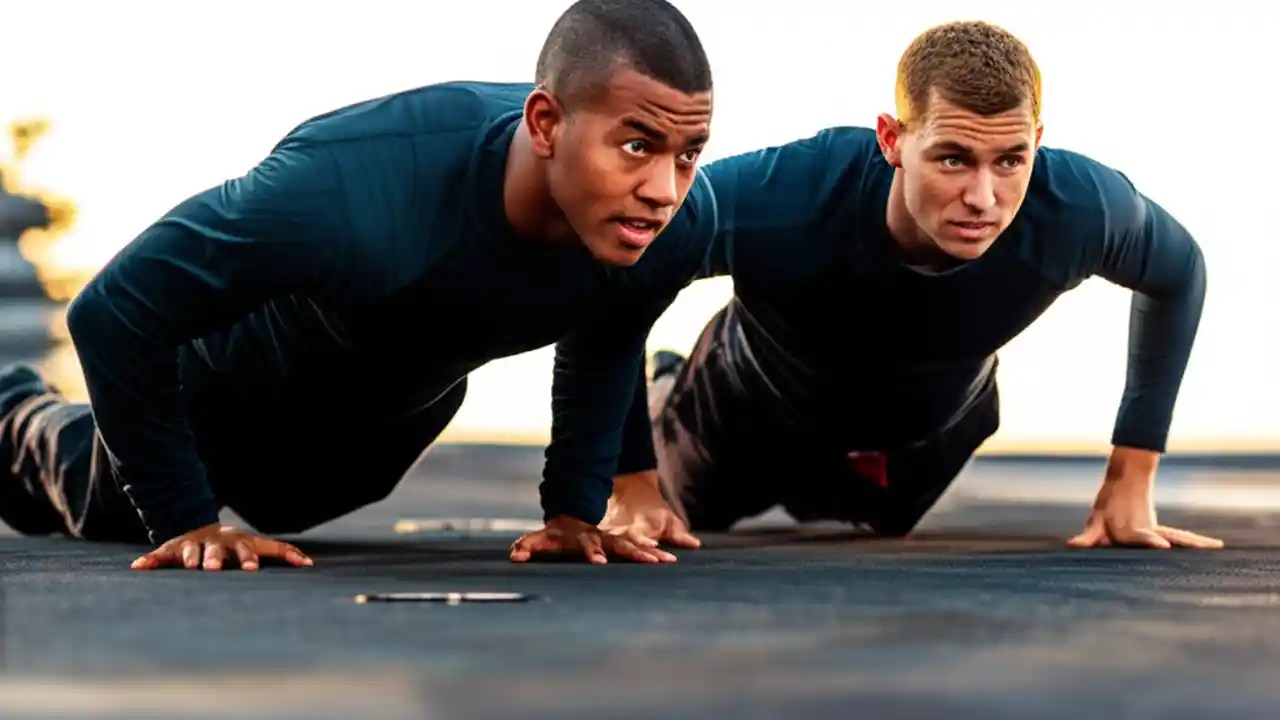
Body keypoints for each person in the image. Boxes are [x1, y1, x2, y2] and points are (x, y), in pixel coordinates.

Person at [0, 0, 720, 571]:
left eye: (689, 153)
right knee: (103, 510)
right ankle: (14, 410)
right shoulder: (352, 187)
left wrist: (574, 509)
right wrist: (187, 521)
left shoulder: (669, 223)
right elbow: (115, 309)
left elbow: (609, 333)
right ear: (544, 124)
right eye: (637, 147)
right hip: (226, 390)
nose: (664, 189)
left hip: (372, 433)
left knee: (293, 502)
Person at [596, 20, 1225, 552]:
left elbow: (1180, 273)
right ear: (893, 140)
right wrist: (632, 481)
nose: (983, 199)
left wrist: (1132, 473)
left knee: (878, 537)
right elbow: (623, 274)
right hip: (739, 418)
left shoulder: (1081, 210)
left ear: (1036, 142)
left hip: (918, 441)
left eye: (1010, 160)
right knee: (675, 528)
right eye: (953, 158)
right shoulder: (781, 194)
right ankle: (666, 382)